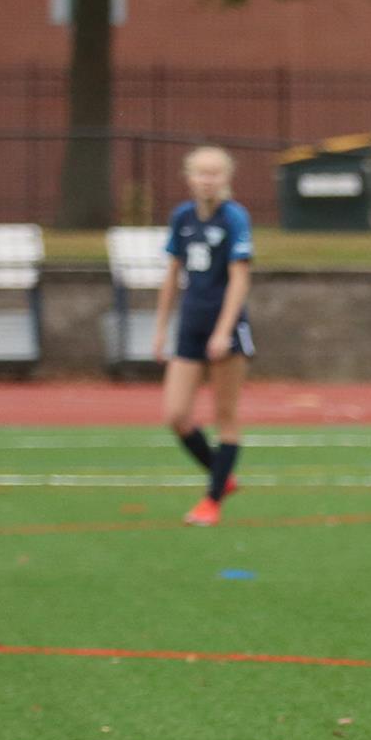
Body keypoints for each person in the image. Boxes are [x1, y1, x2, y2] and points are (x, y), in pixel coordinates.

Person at [152, 146, 254, 527]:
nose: (208, 180)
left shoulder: (234, 218)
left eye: (215, 173)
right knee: (176, 415)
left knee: (224, 415)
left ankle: (211, 502)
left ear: (226, 178)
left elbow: (240, 277)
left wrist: (224, 330)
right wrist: (161, 328)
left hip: (225, 330)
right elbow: (172, 274)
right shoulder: (182, 217)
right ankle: (221, 477)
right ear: (189, 177)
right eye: (201, 173)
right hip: (190, 327)